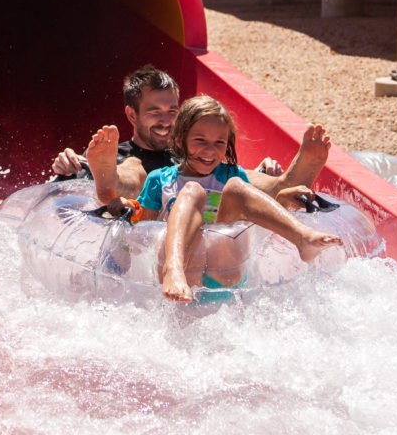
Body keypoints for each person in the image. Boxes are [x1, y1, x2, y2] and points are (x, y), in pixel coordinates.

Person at [93, 95, 341, 303]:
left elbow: (254, 222)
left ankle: (302, 237)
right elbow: (142, 232)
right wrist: (127, 209)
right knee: (192, 191)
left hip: (223, 273)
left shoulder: (231, 175)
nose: (210, 150)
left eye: (219, 142)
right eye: (200, 140)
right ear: (180, 139)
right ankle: (173, 268)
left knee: (237, 187)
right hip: (182, 272)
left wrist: (284, 200)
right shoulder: (160, 179)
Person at [50, 64, 180, 200]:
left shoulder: (185, 155)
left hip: (175, 196)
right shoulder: (108, 154)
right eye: (155, 112)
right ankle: (113, 182)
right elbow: (61, 202)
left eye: (172, 111)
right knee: (135, 166)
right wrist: (67, 173)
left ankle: (112, 183)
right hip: (124, 178)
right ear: (132, 115)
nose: (166, 122)